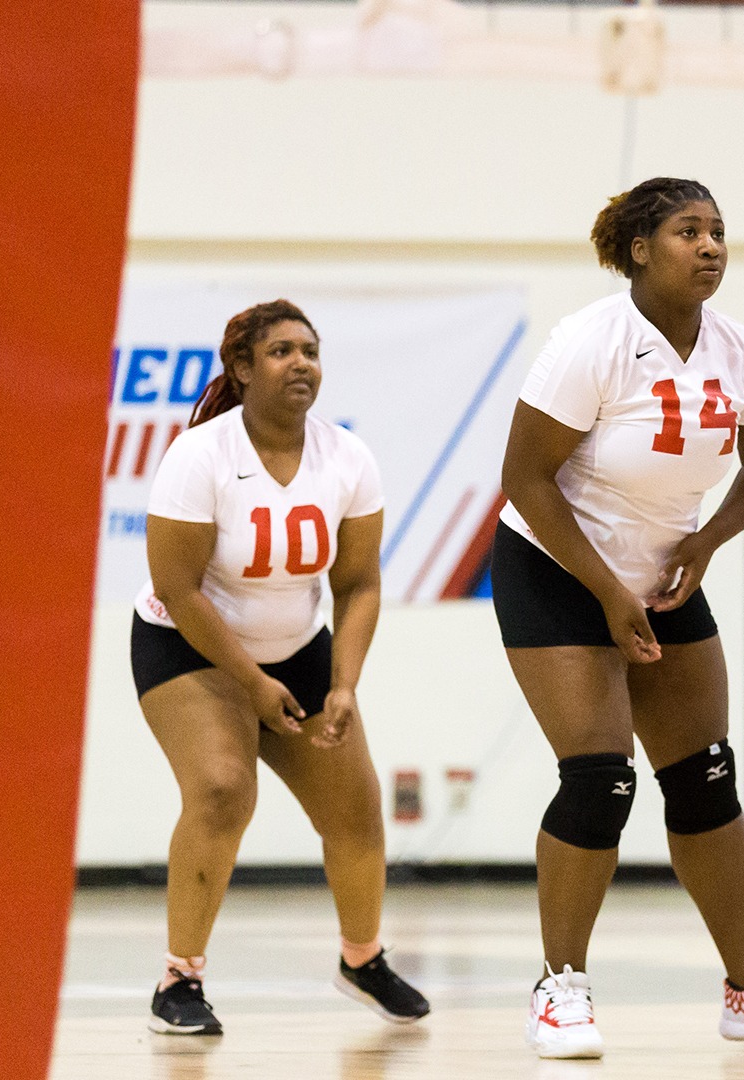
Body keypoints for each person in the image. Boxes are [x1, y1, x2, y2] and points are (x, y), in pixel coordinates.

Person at [494, 177, 744, 1060]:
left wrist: (706, 541)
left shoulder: (738, 352)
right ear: (639, 250)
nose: (709, 247)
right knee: (600, 779)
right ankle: (560, 991)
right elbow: (525, 478)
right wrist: (605, 590)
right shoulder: (591, 341)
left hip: (661, 576)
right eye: (688, 231)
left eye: (718, 232)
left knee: (704, 777)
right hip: (558, 569)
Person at [133, 300, 428, 1035]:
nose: (301, 363)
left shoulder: (347, 458)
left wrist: (344, 684)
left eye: (311, 351)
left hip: (297, 648)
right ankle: (179, 981)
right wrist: (252, 684)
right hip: (187, 644)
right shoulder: (200, 456)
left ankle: (362, 960)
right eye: (281, 351)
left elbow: (358, 584)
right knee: (224, 789)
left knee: (355, 808)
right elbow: (178, 588)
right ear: (241, 368)